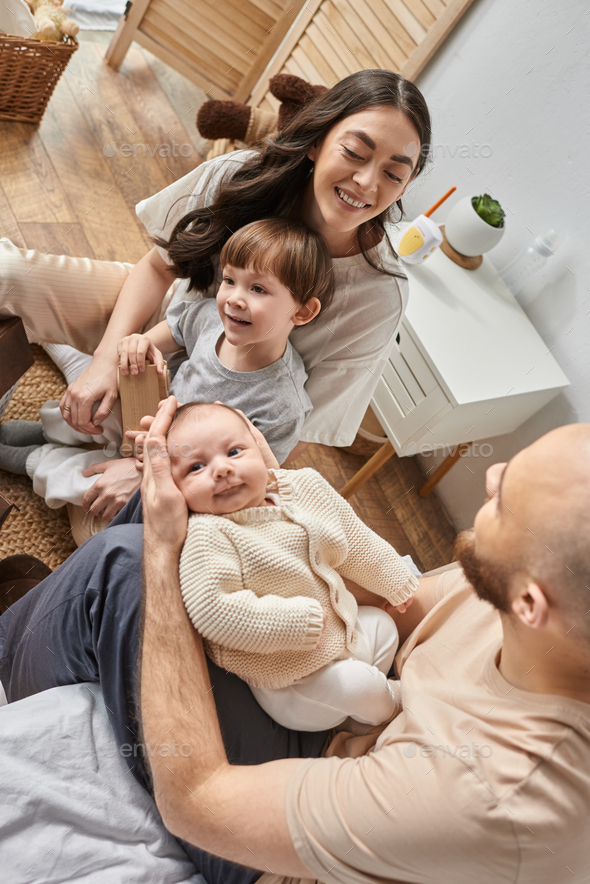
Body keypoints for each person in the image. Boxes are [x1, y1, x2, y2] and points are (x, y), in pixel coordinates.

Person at [2, 405, 590, 882]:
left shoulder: (498, 792)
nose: (491, 473)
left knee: (126, 564)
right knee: (174, 506)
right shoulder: (536, 607)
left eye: (505, 499)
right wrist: (272, 500)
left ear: (530, 605)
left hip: (284, 831)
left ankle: (22, 647)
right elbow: (400, 596)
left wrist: (162, 550)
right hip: (347, 680)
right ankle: (52, 609)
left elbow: (200, 802)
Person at [0, 69, 431, 528]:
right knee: (8, 274)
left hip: (201, 429)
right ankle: (82, 368)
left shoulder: (379, 295)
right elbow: (157, 265)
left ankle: (73, 398)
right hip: (159, 324)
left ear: (405, 186)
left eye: (392, 173)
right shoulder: (239, 175)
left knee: (117, 543)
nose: (366, 182)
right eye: (354, 152)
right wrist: (108, 360)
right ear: (316, 141)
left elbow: (294, 434)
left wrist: (156, 470)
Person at [0, 217, 334, 509]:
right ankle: (48, 431)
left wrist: (148, 471)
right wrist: (140, 343)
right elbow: (174, 330)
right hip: (151, 416)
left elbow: (257, 477)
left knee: (83, 481)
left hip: (181, 469)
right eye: (230, 281)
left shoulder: (281, 405)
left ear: (302, 311)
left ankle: (32, 460)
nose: (233, 298)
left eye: (258, 288)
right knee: (98, 403)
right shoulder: (212, 320)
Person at [167, 398, 417, 731]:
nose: (222, 470)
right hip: (293, 682)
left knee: (383, 625)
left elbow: (354, 537)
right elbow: (214, 611)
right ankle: (387, 708)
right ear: (176, 488)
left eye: (234, 452)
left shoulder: (305, 487)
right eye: (195, 467)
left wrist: (394, 579)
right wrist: (296, 624)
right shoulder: (210, 534)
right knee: (359, 686)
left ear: (259, 447)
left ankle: (355, 716)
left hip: (345, 634)